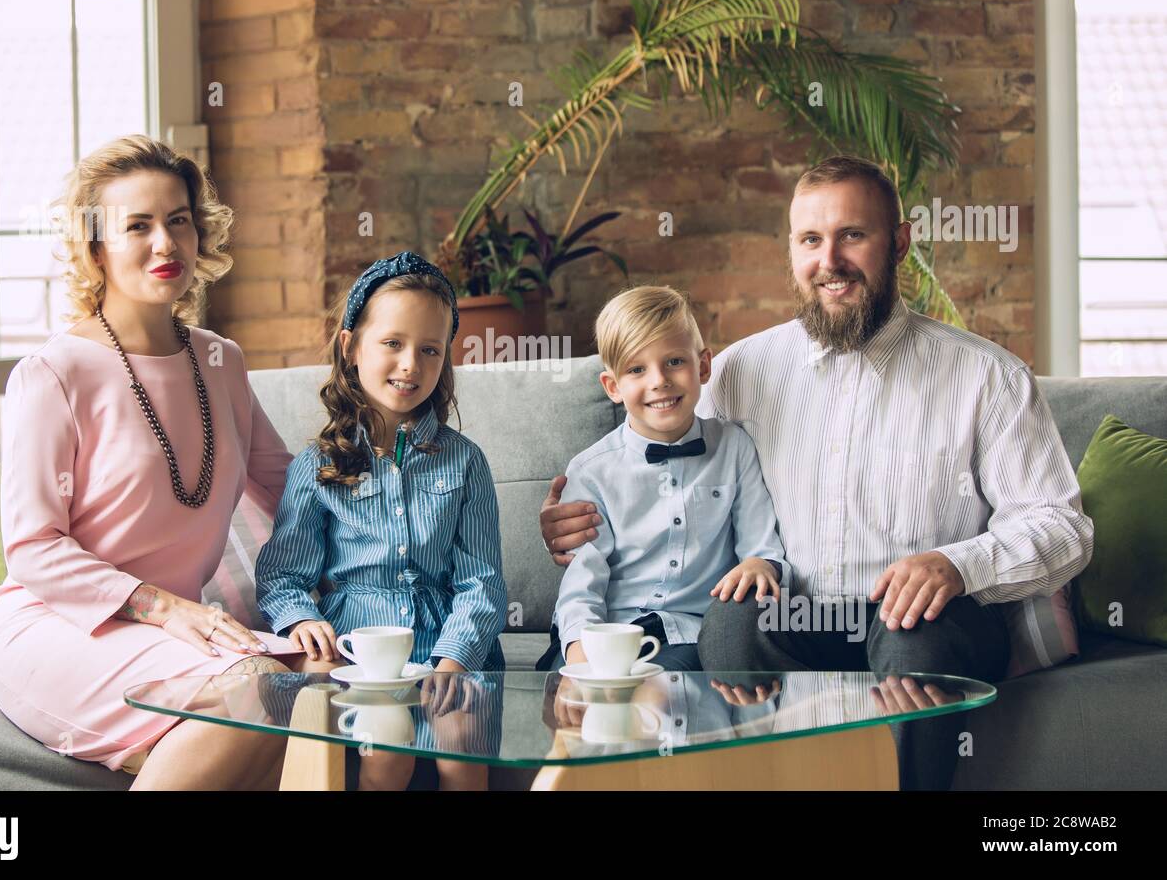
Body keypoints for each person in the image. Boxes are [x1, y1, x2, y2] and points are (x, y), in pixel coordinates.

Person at [538, 156, 1094, 789]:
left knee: (915, 640)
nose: (829, 260)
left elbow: (1063, 528)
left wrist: (958, 564)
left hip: (926, 621)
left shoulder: (986, 376)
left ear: (900, 241)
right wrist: (577, 517)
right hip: (799, 616)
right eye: (810, 240)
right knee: (733, 622)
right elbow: (662, 454)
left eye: (852, 235)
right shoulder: (742, 371)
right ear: (793, 252)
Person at [0, 135, 307, 789]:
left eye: (178, 221)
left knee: (319, 686)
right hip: (58, 630)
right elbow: (33, 549)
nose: (165, 244)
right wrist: (166, 608)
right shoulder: (53, 372)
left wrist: (422, 485)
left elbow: (294, 490)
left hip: (178, 643)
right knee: (264, 691)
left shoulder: (221, 361)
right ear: (95, 246)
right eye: (138, 226)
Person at [254, 251, 507, 791]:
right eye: (392, 343)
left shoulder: (466, 461)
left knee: (461, 744)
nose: (411, 364)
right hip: (361, 652)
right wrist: (300, 619)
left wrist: (455, 661)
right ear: (351, 348)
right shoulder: (317, 466)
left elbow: (481, 581)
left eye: (429, 349)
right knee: (385, 750)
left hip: (449, 647)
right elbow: (282, 575)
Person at [539, 285, 789, 675]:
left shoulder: (735, 447)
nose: (659, 381)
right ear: (613, 387)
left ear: (703, 366)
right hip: (605, 632)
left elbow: (761, 544)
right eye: (637, 370)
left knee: (666, 693)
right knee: (565, 703)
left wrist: (760, 564)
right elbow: (582, 578)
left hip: (688, 634)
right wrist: (578, 649)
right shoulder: (590, 471)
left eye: (674, 361)